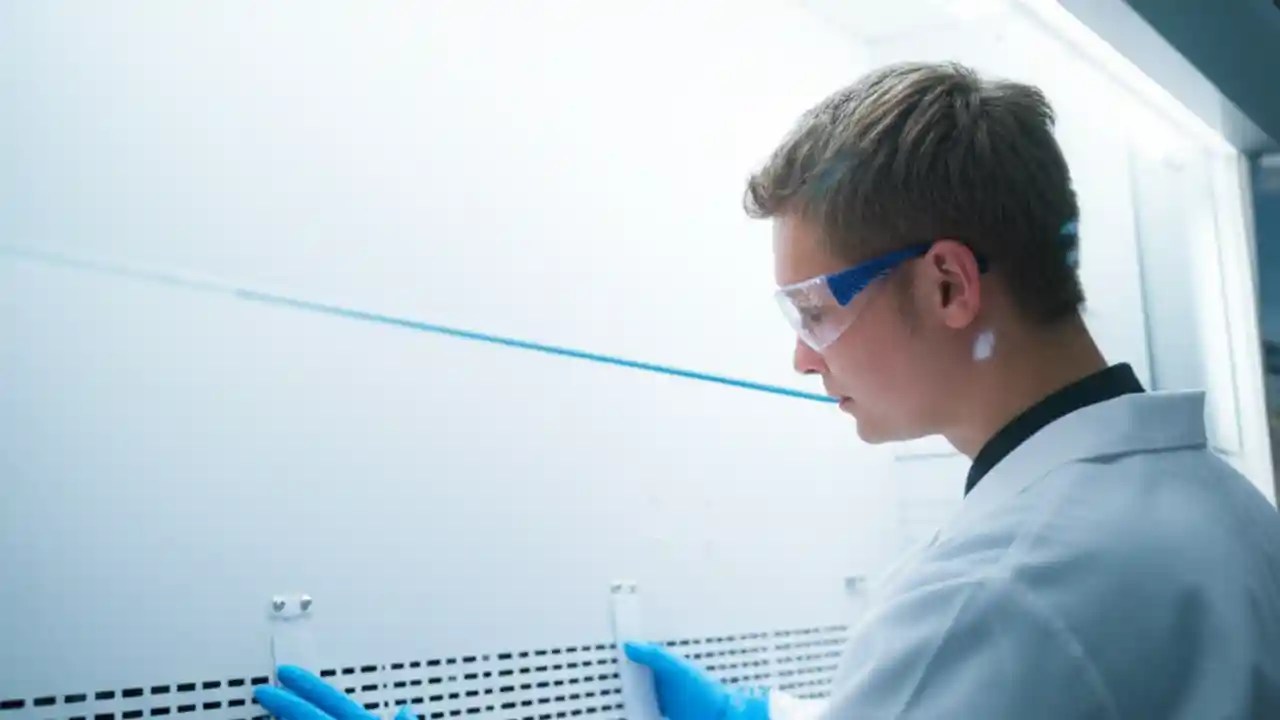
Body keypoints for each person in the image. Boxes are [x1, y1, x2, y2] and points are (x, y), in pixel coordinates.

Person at [255, 62, 1280, 720]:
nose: (801, 359)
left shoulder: (992, 595)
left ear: (946, 284)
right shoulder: (1223, 509)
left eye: (814, 310)